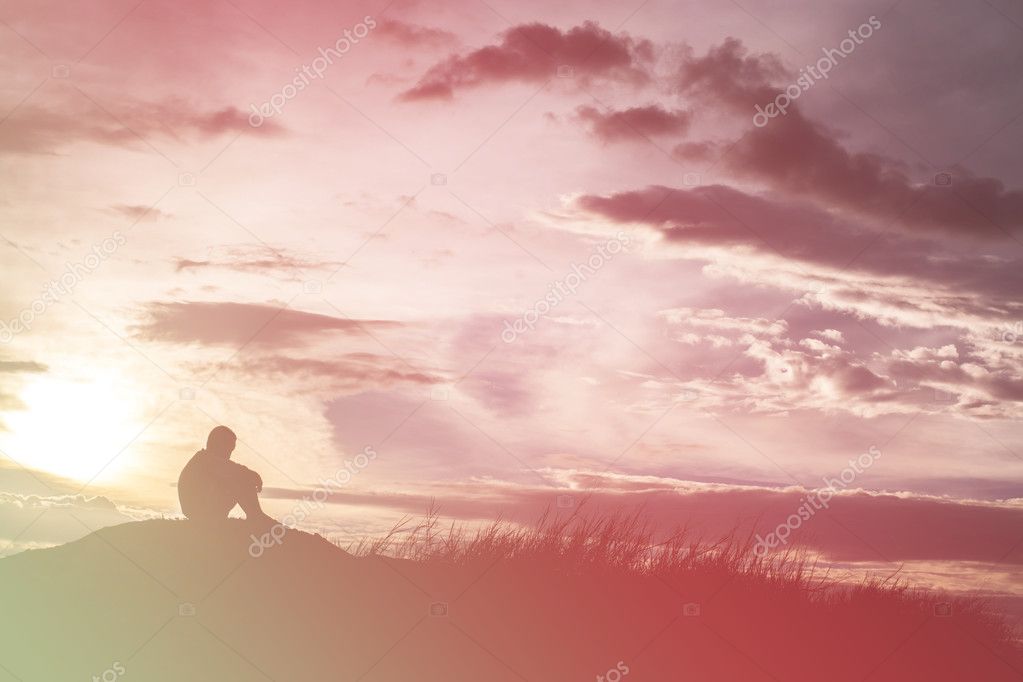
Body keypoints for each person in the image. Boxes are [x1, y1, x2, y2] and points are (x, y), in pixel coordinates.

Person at [178, 426, 274, 526]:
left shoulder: (205, 459)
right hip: (199, 511)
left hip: (202, 509)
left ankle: (256, 515)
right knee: (241, 477)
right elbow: (232, 469)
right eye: (229, 448)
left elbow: (228, 468)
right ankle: (256, 516)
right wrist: (252, 475)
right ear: (218, 444)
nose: (230, 453)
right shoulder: (204, 459)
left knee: (240, 475)